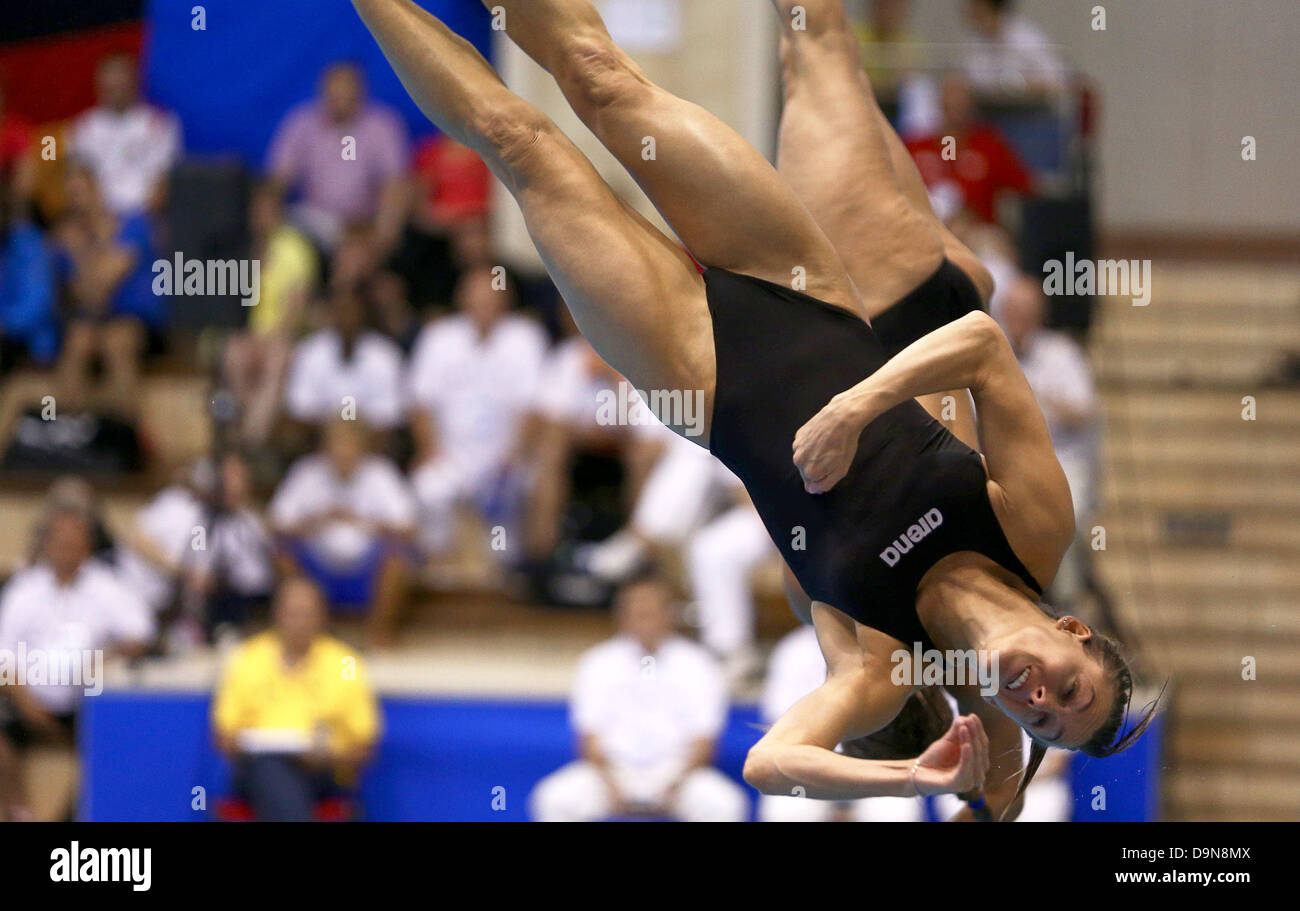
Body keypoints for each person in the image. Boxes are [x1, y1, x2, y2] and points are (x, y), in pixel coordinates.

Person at [351, 0, 1153, 820]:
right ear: (1073, 631)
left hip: (697, 373)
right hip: (799, 282)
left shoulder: (882, 667)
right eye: (1071, 687)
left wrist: (915, 780)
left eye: (1047, 716)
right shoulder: (1034, 529)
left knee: (521, 143)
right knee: (601, 80)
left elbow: (773, 760)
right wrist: (857, 405)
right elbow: (981, 342)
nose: (1042, 696)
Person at [529, 577, 748, 822]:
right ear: (622, 617)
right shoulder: (597, 663)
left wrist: (675, 784)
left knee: (724, 804)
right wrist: (611, 784)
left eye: (651, 613)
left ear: (669, 615)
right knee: (554, 798)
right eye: (637, 613)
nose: (644, 621)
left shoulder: (699, 665)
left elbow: (704, 740)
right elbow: (588, 736)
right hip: (612, 771)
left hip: (678, 772)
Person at [0, 506, 153, 821]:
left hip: (85, 703)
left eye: (75, 544)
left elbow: (141, 633)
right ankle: (20, 812)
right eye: (60, 543)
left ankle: (76, 814)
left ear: (87, 548)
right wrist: (26, 704)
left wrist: (108, 656)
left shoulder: (107, 586)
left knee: (121, 739)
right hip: (25, 700)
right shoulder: (23, 589)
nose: (67, 551)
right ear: (46, 545)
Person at [212, 576, 380, 822]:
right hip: (256, 769)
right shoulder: (248, 657)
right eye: (293, 613)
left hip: (323, 771)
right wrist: (253, 745)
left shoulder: (345, 662)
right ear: (277, 614)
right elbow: (224, 738)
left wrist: (326, 755)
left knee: (276, 779)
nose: (299, 623)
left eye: (307, 614)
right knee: (269, 768)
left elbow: (365, 747)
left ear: (322, 617)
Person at [406, 266, 546, 557]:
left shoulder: (525, 338)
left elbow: (534, 408)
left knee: (510, 497)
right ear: (462, 299)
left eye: (491, 300)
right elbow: (420, 404)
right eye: (477, 299)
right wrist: (430, 451)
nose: (483, 307)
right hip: (450, 456)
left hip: (505, 458)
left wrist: (511, 459)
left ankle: (503, 572)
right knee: (429, 489)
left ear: (504, 302)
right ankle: (439, 564)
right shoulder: (439, 337)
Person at [996, 274, 1099, 611]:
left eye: (1024, 312)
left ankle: (1066, 605)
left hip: (1062, 464)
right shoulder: (992, 351)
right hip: (1008, 465)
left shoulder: (1061, 352)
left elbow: (1084, 412)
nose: (1017, 321)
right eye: (1011, 312)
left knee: (1061, 530)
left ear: (1038, 315)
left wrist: (1035, 398)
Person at [269, 418, 416, 645]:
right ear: (325, 448)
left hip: (365, 569)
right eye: (337, 445)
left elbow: (409, 528)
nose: (343, 453)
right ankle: (313, 633)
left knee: (399, 554)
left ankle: (380, 632)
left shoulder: (380, 473)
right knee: (281, 550)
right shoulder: (307, 472)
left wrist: (363, 522)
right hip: (317, 569)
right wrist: (318, 521)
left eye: (349, 445)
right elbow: (275, 524)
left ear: (362, 447)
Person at [51, 163, 162, 417]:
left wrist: (82, 250)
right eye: (71, 197)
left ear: (97, 191)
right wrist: (79, 251)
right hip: (94, 319)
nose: (76, 204)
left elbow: (104, 282)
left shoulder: (133, 225)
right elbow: (87, 298)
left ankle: (124, 434)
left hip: (141, 321)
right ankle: (66, 433)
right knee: (78, 339)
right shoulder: (67, 239)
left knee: (117, 341)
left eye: (80, 194)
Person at [266, 61, 408, 256]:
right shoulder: (301, 123)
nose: (340, 100)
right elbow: (278, 177)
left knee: (354, 263)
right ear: (322, 92)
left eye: (347, 94)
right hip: (311, 226)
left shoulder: (382, 126)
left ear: (360, 93)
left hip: (363, 228)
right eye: (334, 94)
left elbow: (394, 183)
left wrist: (384, 233)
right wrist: (267, 209)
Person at [904, 73, 1035, 226]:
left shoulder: (989, 146)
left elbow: (1025, 187)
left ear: (971, 105)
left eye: (961, 101)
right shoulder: (916, 147)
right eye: (950, 102)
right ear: (940, 103)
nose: (956, 106)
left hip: (976, 231)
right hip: (924, 230)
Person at [69, 52, 181, 215]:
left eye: (120, 77)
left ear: (135, 80)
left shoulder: (161, 123)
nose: (115, 84)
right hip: (98, 217)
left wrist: (139, 219)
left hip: (145, 215)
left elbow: (163, 182)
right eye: (109, 78)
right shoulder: (84, 127)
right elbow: (79, 182)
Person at [961, 0, 1067, 97]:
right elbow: (972, 80)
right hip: (988, 108)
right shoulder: (977, 41)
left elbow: (1057, 82)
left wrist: (1020, 85)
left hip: (1028, 110)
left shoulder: (1025, 37)